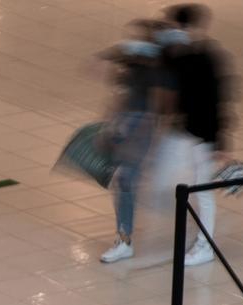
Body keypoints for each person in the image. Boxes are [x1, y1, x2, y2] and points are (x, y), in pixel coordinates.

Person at [158, 4, 235, 266]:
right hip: (188, 132)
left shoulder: (206, 57)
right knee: (184, 186)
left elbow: (218, 99)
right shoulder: (185, 55)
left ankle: (205, 246)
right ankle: (199, 236)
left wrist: (219, 142)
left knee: (202, 191)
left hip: (203, 135)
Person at [98, 21, 168, 264]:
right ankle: (124, 235)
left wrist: (139, 132)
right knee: (123, 182)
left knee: (126, 181)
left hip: (138, 129)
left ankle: (125, 239)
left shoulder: (154, 70)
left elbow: (156, 107)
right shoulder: (134, 65)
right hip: (127, 125)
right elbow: (118, 90)